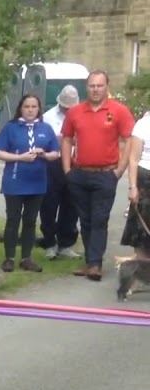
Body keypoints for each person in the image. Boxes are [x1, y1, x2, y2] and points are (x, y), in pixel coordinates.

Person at [61, 70, 135, 281]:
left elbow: (129, 139)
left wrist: (119, 170)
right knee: (85, 220)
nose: (95, 90)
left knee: (99, 219)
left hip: (105, 174)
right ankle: (91, 261)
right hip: (80, 174)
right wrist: (67, 169)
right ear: (87, 87)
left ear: (106, 87)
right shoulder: (75, 112)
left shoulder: (119, 111)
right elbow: (66, 139)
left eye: (99, 86)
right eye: (92, 86)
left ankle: (95, 264)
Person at [0, 94, 61, 273]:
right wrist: (20, 157)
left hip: (37, 182)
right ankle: (9, 258)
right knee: (13, 219)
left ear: (39, 109)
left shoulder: (46, 129)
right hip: (15, 181)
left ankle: (26, 258)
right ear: (20, 108)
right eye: (27, 106)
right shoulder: (11, 127)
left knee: (30, 221)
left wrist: (44, 155)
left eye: (34, 106)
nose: (30, 110)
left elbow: (56, 153)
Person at [39, 86, 82, 260]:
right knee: (49, 204)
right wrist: (63, 140)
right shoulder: (48, 117)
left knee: (71, 205)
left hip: (75, 162)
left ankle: (66, 243)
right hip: (54, 163)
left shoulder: (80, 115)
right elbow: (47, 141)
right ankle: (49, 242)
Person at [122, 110, 150, 260]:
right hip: (145, 178)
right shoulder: (143, 124)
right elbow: (133, 159)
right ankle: (142, 271)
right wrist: (133, 187)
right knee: (141, 230)